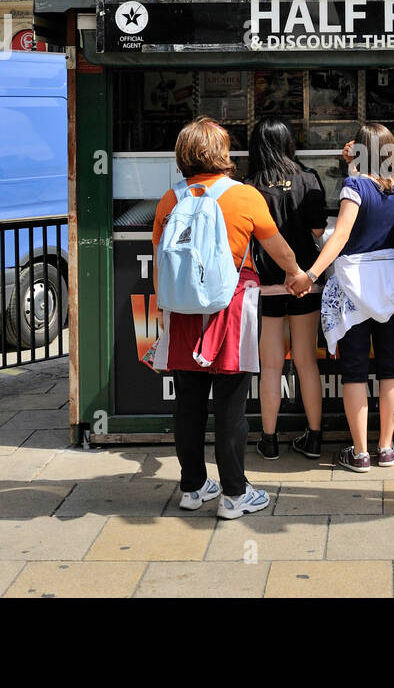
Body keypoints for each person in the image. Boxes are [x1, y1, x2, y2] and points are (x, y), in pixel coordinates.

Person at [151, 118, 304, 518]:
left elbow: (159, 263)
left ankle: (193, 486)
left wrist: (163, 310)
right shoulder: (244, 196)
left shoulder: (170, 199)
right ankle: (235, 493)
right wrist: (296, 275)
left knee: (188, 403)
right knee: (231, 404)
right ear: (222, 152)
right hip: (230, 309)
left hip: (182, 310)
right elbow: (278, 248)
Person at [288, 123, 394, 473]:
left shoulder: (354, 186)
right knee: (391, 367)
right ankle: (386, 447)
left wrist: (310, 274)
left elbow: (340, 236)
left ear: (360, 150)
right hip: (390, 280)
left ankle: (360, 453)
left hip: (355, 282)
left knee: (355, 370)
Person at [245, 117, 328, 461]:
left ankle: (269, 439)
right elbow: (318, 231)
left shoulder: (249, 186)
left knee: (272, 366)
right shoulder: (309, 179)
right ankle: (314, 438)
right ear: (289, 142)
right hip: (304, 283)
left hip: (268, 287)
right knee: (307, 362)